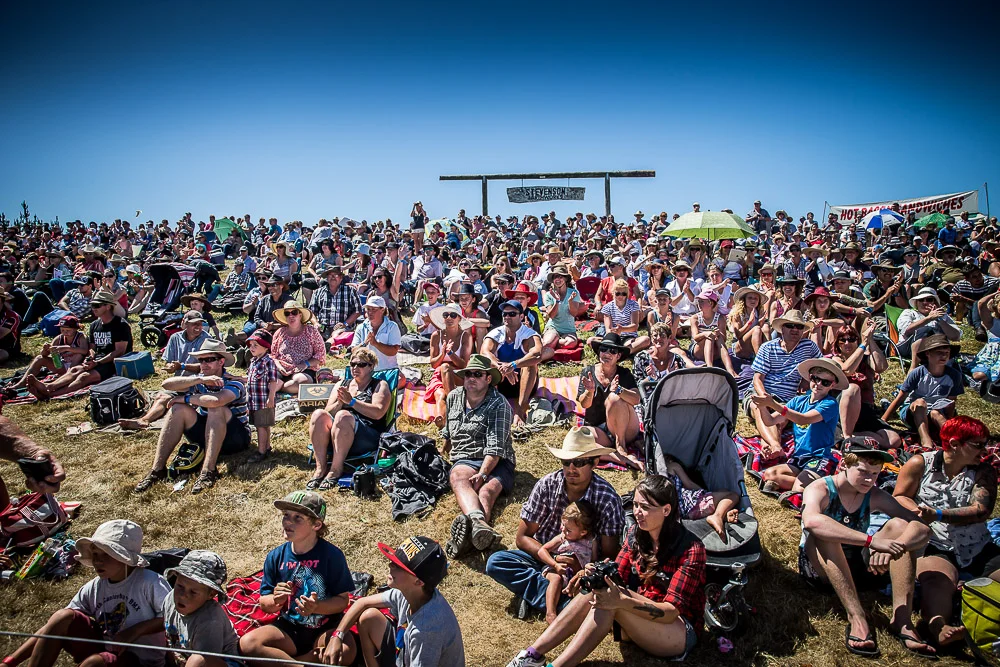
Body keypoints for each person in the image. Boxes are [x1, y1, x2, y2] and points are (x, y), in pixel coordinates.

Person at [505, 475, 705, 667]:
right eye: (635, 505)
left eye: (645, 507)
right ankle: (531, 654)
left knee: (609, 601)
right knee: (600, 588)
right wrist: (589, 573)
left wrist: (622, 601)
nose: (637, 512)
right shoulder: (637, 533)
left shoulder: (691, 549)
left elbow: (670, 612)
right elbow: (617, 571)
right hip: (638, 618)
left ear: (666, 510)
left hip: (678, 630)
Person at [799, 441, 934, 658]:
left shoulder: (875, 494)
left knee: (900, 527)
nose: (870, 479)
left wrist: (894, 547)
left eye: (875, 473)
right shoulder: (821, 488)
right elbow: (812, 522)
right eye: (863, 472)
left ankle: (902, 621)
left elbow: (922, 528)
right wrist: (871, 541)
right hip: (821, 566)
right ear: (844, 464)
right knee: (825, 531)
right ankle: (857, 617)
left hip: (859, 563)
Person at [486, 427, 625, 619]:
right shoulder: (547, 485)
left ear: (594, 462)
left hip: (583, 565)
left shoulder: (607, 498)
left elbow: (610, 555)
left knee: (599, 587)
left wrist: (583, 569)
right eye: (566, 462)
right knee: (496, 562)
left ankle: (539, 596)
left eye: (579, 462)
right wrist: (550, 560)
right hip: (542, 556)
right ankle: (561, 602)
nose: (571, 468)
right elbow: (523, 537)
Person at [3, 520, 171, 667]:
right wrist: (10, 662)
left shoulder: (150, 582)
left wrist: (135, 631)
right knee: (63, 616)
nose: (97, 561)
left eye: (107, 555)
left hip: (140, 661)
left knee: (94, 663)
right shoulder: (95, 587)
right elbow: (53, 628)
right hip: (105, 650)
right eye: (95, 554)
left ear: (124, 557)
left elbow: (174, 617)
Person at [893, 416, 997, 648]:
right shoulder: (921, 464)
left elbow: (981, 510)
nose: (985, 450)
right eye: (978, 444)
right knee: (936, 581)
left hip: (978, 544)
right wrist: (920, 513)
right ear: (954, 443)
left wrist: (938, 514)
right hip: (937, 542)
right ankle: (939, 626)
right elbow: (900, 496)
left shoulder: (984, 471)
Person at [240, 491, 354, 665]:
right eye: (286, 515)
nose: (287, 522)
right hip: (289, 628)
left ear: (316, 524)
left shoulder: (332, 555)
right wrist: (276, 600)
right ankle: (300, 663)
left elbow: (342, 601)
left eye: (297, 518)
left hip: (325, 627)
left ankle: (291, 661)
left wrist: (316, 607)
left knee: (344, 653)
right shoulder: (276, 556)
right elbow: (265, 602)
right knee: (248, 644)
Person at [320, 536, 465, 667]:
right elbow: (362, 603)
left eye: (398, 566)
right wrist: (337, 636)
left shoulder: (426, 631)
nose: (390, 565)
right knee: (368, 617)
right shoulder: (408, 593)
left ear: (418, 581)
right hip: (404, 654)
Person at [133, 340, 250, 495]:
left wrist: (186, 398)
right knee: (178, 409)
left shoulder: (234, 382)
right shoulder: (200, 379)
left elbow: (217, 400)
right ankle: (157, 469)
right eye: (201, 360)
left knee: (215, 409)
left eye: (209, 359)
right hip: (207, 435)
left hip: (235, 438)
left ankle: (208, 471)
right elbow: (166, 384)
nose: (204, 364)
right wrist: (199, 380)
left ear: (221, 362)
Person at [442, 354, 516, 557]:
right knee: (459, 476)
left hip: (498, 460)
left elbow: (496, 446)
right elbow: (449, 432)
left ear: (488, 379)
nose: (470, 378)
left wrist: (483, 474)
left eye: (477, 374)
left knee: (486, 492)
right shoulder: (453, 397)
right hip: (465, 457)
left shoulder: (499, 404)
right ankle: (478, 525)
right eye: (467, 374)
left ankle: (470, 537)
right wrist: (442, 451)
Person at [753, 358, 847, 501]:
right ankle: (813, 482)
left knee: (798, 489)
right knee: (769, 474)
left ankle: (810, 483)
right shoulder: (799, 400)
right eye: (815, 379)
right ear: (810, 377)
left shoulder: (830, 404)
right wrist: (762, 406)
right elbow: (770, 421)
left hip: (819, 457)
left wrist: (773, 404)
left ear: (832, 385)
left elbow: (803, 419)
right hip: (798, 457)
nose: (818, 384)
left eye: (825, 382)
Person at [306, 348, 390, 490]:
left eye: (361, 364)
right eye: (353, 364)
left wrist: (352, 402)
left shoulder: (379, 385)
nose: (355, 368)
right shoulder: (342, 384)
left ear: (371, 367)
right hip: (338, 434)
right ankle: (320, 468)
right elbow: (328, 412)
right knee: (319, 414)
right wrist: (340, 402)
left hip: (366, 435)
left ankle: (336, 469)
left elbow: (378, 413)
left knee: (343, 416)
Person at [25, 290, 133, 400]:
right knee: (74, 370)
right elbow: (92, 347)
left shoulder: (120, 325)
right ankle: (48, 387)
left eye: (97, 305)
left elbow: (119, 351)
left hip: (115, 363)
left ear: (108, 307)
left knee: (84, 377)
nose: (93, 308)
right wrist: (90, 357)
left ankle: (49, 394)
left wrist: (97, 362)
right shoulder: (94, 325)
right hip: (97, 360)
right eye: (92, 305)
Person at [746, 309, 821, 459]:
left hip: (787, 398)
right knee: (760, 407)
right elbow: (757, 379)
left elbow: (821, 367)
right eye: (790, 326)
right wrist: (764, 397)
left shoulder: (809, 347)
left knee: (781, 419)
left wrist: (807, 380)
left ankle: (768, 445)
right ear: (782, 328)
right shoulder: (768, 347)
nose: (794, 330)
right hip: (763, 391)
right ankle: (776, 446)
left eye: (799, 327)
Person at [119, 310, 210, 431]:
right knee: (162, 397)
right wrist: (170, 367)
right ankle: (144, 420)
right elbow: (169, 361)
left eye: (200, 323)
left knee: (178, 402)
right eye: (194, 323)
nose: (198, 327)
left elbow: (205, 367)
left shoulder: (207, 339)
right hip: (179, 383)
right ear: (184, 324)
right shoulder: (175, 338)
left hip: (199, 383)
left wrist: (181, 366)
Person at [882, 334, 964, 450]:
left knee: (936, 413)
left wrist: (949, 420)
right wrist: (884, 420)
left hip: (938, 413)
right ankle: (926, 442)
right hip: (914, 412)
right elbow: (901, 397)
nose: (943, 356)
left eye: (946, 353)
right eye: (939, 352)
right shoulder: (918, 373)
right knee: (920, 403)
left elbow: (951, 402)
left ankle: (954, 442)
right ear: (928, 354)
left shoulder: (954, 375)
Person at [161, 551, 242, 667]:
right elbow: (168, 642)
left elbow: (204, 661)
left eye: (193, 592)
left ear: (211, 594)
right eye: (180, 586)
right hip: (184, 662)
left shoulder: (210, 620)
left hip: (221, 663)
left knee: (198, 660)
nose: (183, 595)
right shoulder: (170, 599)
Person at [577, 333, 643, 471]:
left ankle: (621, 445)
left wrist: (619, 390)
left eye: (612, 351)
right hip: (599, 429)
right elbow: (584, 405)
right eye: (604, 349)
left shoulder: (624, 374)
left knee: (614, 398)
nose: (607, 353)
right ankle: (620, 458)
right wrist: (589, 391)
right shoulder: (588, 372)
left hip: (625, 428)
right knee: (576, 439)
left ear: (618, 356)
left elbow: (636, 399)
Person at [481, 300, 542, 425]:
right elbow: (484, 352)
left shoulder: (529, 335)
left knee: (530, 364)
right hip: (502, 380)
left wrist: (513, 365)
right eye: (505, 314)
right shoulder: (496, 333)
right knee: (487, 365)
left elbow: (537, 354)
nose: (507, 317)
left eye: (512, 314)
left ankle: (520, 409)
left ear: (521, 316)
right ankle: (493, 407)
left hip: (525, 384)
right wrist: (502, 368)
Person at [537, 501, 597, 624]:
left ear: (583, 532)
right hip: (556, 570)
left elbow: (594, 561)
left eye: (568, 529)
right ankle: (550, 613)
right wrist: (554, 565)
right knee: (556, 580)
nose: (563, 529)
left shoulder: (591, 542)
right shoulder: (562, 537)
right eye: (562, 525)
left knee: (583, 587)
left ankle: (573, 612)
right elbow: (542, 550)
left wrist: (586, 570)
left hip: (576, 575)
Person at [6, 314, 87, 394]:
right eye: (62, 330)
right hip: (62, 366)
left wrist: (66, 348)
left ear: (75, 329)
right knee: (39, 358)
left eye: (68, 330)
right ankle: (21, 383)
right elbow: (45, 355)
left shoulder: (80, 337)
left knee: (78, 355)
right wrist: (46, 350)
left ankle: (65, 379)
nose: (65, 333)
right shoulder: (59, 338)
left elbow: (84, 351)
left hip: (76, 367)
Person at [424, 304, 473, 428]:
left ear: (459, 318)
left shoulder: (465, 336)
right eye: (446, 315)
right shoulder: (436, 335)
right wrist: (442, 353)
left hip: (459, 374)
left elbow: (464, 364)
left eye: (453, 315)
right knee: (440, 394)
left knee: (445, 366)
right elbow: (433, 363)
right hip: (439, 374)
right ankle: (443, 418)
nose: (449, 318)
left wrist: (451, 354)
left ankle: (453, 409)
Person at [270, 302, 326, 394]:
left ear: (300, 315)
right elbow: (273, 356)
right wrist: (279, 366)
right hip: (281, 368)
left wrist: (306, 364)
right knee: (269, 382)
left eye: (294, 312)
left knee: (302, 382)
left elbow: (320, 355)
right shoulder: (279, 332)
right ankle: (281, 386)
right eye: (287, 313)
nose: (291, 316)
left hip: (304, 369)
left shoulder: (311, 331)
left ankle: (281, 387)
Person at [246, 330, 282, 463]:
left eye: (256, 345)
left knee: (261, 426)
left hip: (264, 401)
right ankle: (267, 447)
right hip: (254, 401)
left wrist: (271, 397)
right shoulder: (253, 361)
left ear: (266, 347)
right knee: (262, 425)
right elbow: (250, 379)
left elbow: (273, 381)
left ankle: (261, 451)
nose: (252, 348)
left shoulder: (268, 362)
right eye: (251, 345)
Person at [896, 286, 960, 359]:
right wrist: (929, 318)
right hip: (908, 347)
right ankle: (913, 366)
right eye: (921, 300)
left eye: (929, 300)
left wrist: (939, 319)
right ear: (916, 303)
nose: (924, 302)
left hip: (935, 347)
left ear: (935, 303)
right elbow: (906, 331)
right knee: (926, 330)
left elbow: (956, 337)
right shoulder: (909, 312)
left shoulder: (941, 315)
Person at [540, 265, 586, 362]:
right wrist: (557, 301)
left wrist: (570, 302)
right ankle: (552, 339)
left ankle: (555, 341)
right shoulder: (549, 295)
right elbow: (551, 315)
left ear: (565, 279)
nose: (558, 279)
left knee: (570, 343)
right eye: (555, 277)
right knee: (547, 344)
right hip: (553, 326)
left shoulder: (573, 293)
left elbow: (574, 314)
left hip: (568, 329)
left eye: (560, 276)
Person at [688, 290, 737, 377]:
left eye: (702, 301)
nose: (699, 304)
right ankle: (710, 368)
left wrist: (718, 334)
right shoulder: (695, 318)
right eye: (699, 301)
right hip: (698, 349)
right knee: (709, 337)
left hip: (715, 350)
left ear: (711, 303)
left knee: (719, 338)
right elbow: (695, 337)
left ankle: (730, 370)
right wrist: (706, 333)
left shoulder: (720, 318)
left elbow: (724, 339)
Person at [309, 265, 363, 344]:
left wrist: (345, 324)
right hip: (323, 328)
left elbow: (358, 311)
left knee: (338, 334)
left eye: (336, 275)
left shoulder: (350, 291)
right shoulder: (318, 292)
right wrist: (315, 323)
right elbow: (311, 312)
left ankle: (327, 344)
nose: (333, 277)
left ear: (341, 278)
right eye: (330, 275)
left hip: (343, 328)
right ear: (327, 278)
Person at [631, 322, 689, 389]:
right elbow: (638, 387)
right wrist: (650, 378)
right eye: (655, 335)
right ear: (651, 339)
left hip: (672, 397)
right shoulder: (641, 358)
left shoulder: (677, 360)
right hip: (650, 398)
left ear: (669, 338)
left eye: (662, 336)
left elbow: (684, 386)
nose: (658, 338)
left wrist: (674, 376)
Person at [351, 295, 401, 370]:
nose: (370, 312)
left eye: (374, 309)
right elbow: (354, 351)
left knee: (401, 379)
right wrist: (364, 344)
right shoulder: (361, 327)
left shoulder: (392, 327)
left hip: (387, 369)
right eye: (368, 309)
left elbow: (393, 351)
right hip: (365, 371)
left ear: (382, 310)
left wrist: (376, 344)